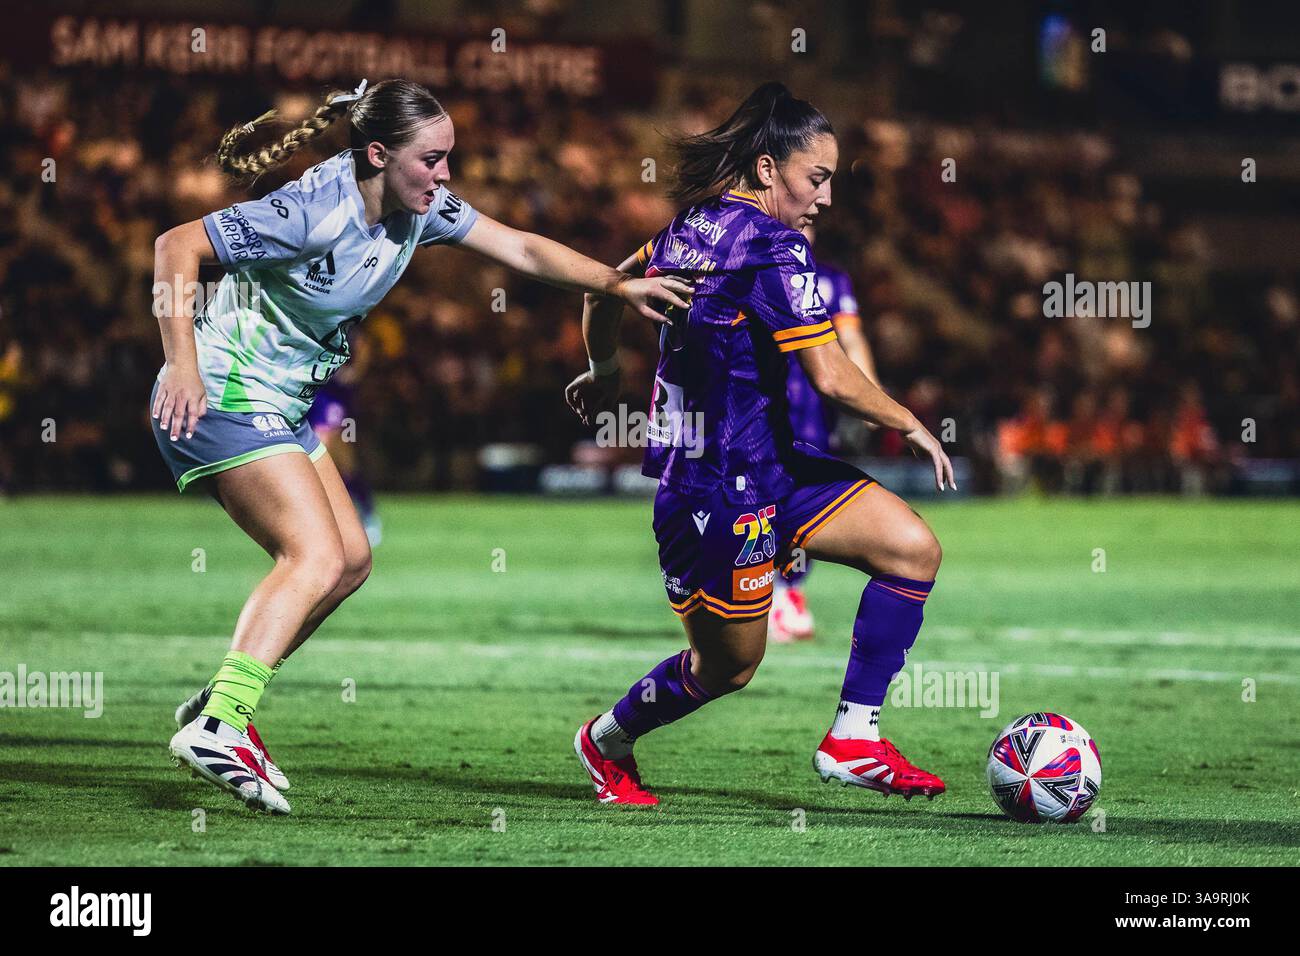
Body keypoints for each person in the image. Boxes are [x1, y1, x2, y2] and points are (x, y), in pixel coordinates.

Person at [154, 78, 692, 814]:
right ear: (379, 153)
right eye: (432, 160)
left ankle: (222, 700)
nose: (445, 177)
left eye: (448, 159)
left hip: (278, 400)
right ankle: (221, 725)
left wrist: (614, 285)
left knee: (348, 561)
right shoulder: (314, 211)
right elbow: (175, 246)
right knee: (310, 556)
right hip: (224, 390)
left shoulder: (421, 209)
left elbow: (522, 248)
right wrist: (180, 362)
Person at [565, 83, 953, 806]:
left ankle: (854, 739)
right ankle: (606, 740)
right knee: (726, 670)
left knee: (911, 549)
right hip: (712, 492)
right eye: (818, 178)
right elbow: (832, 376)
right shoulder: (775, 247)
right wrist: (910, 421)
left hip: (773, 465)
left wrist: (603, 367)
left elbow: (602, 289)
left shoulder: (686, 227)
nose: (827, 198)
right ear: (770, 168)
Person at [770, 227, 878, 642]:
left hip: (813, 409)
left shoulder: (832, 280)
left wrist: (871, 394)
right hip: (760, 402)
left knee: (799, 501)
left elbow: (851, 337)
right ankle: (747, 593)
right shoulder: (756, 271)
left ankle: (788, 591)